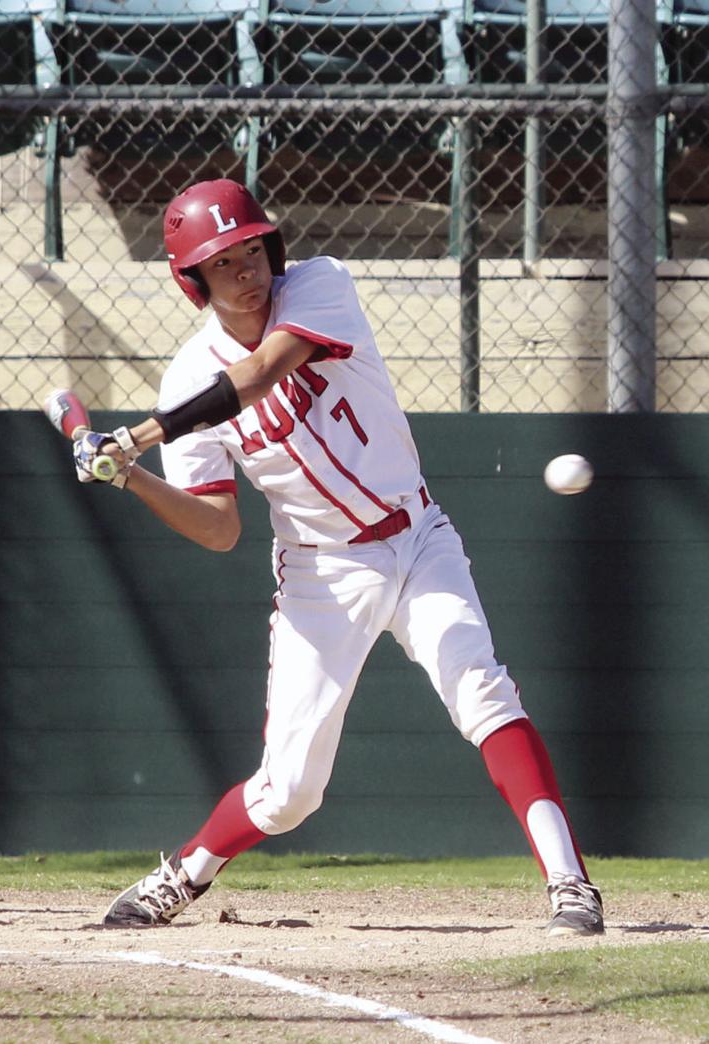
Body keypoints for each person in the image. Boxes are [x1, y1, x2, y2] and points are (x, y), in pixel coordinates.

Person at [70, 178, 604, 938]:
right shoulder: (188, 378)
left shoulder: (319, 285)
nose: (248, 269)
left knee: (480, 687)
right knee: (289, 793)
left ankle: (570, 885)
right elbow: (220, 529)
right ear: (194, 281)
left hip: (418, 537)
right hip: (322, 573)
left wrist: (139, 436)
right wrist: (132, 478)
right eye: (225, 262)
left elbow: (256, 377)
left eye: (253, 249)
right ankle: (182, 876)